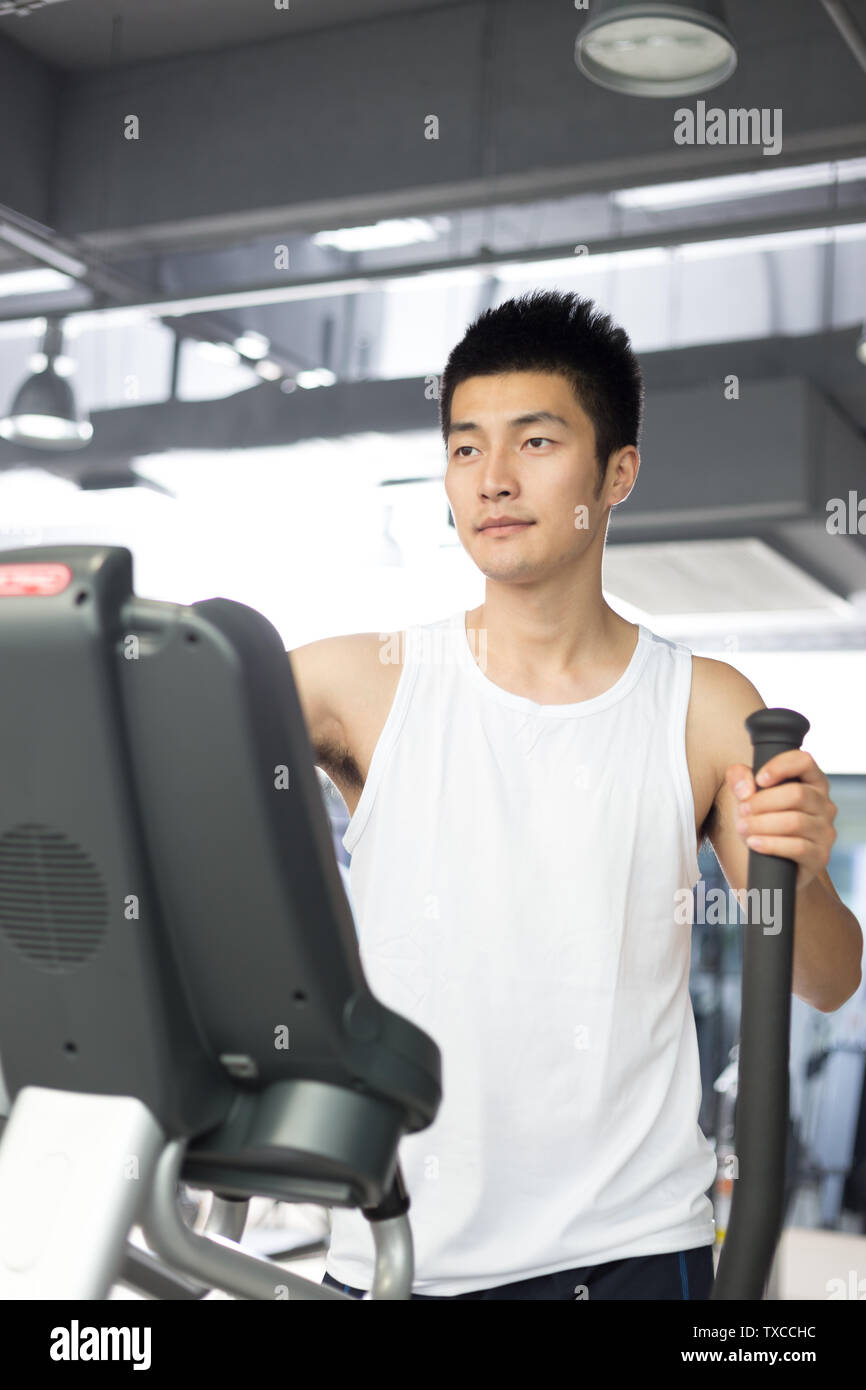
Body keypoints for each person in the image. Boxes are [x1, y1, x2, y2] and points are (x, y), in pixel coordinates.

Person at [289, 290, 862, 1300]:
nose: (494, 480)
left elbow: (822, 977)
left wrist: (805, 871)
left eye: (536, 441)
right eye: (464, 449)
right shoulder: (357, 681)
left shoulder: (702, 707)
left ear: (617, 471)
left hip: (628, 1247)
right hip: (387, 1249)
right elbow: (156, 750)